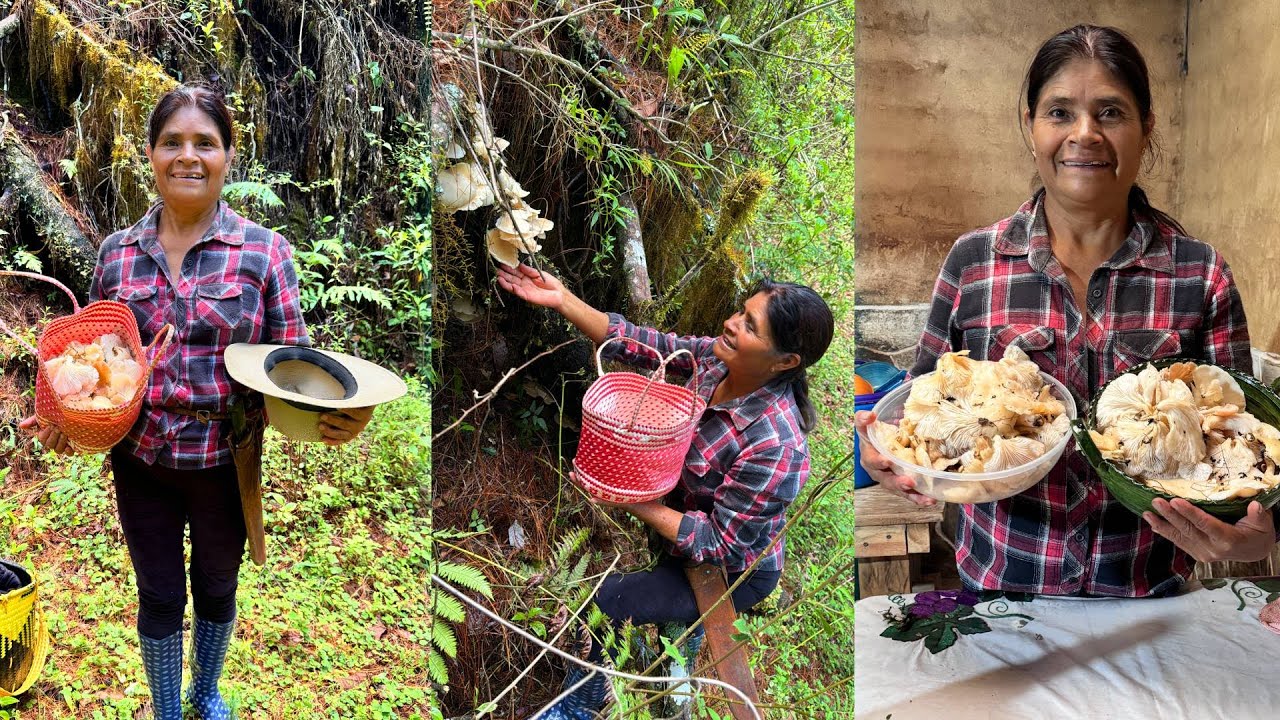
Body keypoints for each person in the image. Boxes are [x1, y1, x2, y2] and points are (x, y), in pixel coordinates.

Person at [856, 24, 1277, 599]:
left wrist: (1257, 535)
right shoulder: (975, 263)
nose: (1085, 133)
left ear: (1145, 128)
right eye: (1059, 113)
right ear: (1031, 126)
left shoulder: (1199, 275)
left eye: (1110, 112)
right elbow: (913, 410)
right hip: (1001, 589)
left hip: (1148, 593)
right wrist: (886, 455)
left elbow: (1247, 435)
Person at [19, 84, 374, 720]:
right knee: (158, 592)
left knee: (216, 585)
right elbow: (99, 360)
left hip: (224, 461)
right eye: (172, 143)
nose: (188, 156)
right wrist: (59, 417)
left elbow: (295, 364)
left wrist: (330, 416)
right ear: (150, 156)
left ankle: (205, 693)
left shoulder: (265, 254)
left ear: (229, 155)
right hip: (141, 461)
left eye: (204, 143)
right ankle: (167, 709)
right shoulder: (116, 255)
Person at [498, 262, 834, 718]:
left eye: (749, 326)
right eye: (740, 312)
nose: (731, 324)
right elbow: (646, 345)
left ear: (786, 361)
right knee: (673, 605)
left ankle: (579, 708)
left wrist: (628, 495)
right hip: (677, 533)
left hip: (735, 572)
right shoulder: (719, 362)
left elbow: (721, 544)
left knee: (606, 604)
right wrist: (562, 299)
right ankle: (681, 649)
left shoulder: (777, 446)